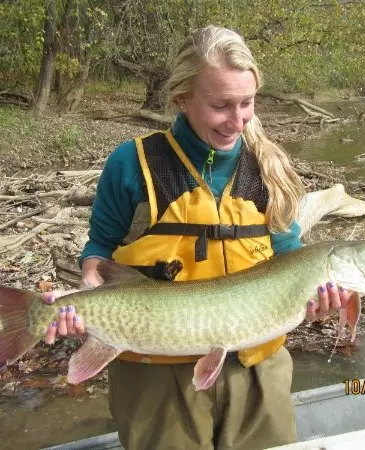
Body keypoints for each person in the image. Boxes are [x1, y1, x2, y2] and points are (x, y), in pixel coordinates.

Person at [43, 25, 349, 450]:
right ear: (182, 98)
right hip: (154, 375)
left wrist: (315, 302)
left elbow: (291, 260)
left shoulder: (268, 168)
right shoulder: (132, 163)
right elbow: (99, 251)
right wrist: (88, 289)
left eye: (247, 103)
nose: (237, 120)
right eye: (220, 105)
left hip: (257, 370)